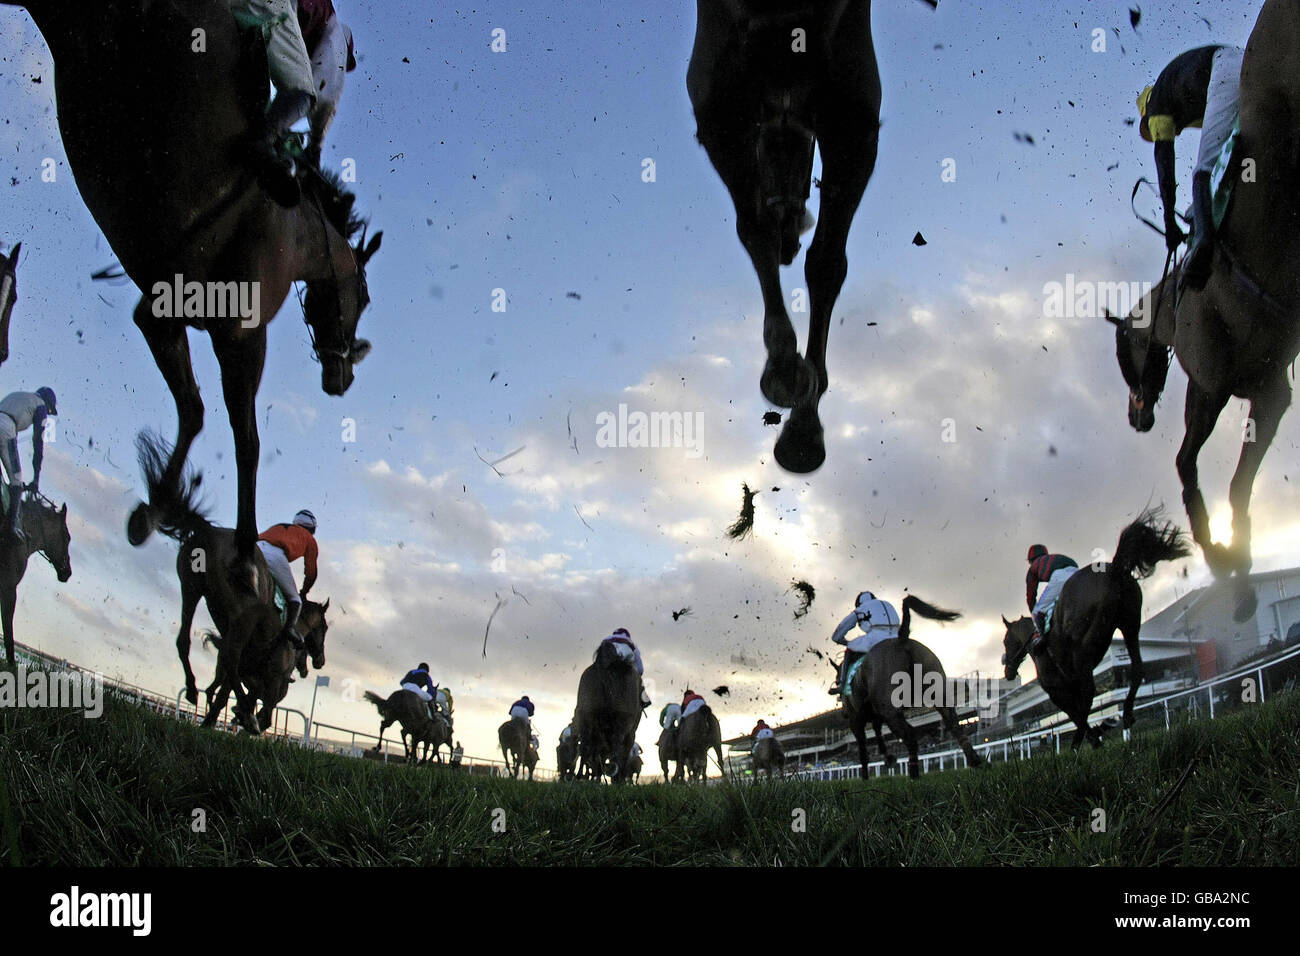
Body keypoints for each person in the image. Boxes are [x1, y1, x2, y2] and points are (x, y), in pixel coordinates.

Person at [1137, 44, 1245, 291]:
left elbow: (1164, 161)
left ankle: (1205, 248)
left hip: (1224, 68)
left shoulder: (1157, 106)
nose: (1155, 134)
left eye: (1151, 131)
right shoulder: (1180, 90)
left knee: (1202, 172)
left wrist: (1169, 222)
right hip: (1237, 60)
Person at [255, 509, 318, 649]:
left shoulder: (279, 526)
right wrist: (304, 591)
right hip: (275, 555)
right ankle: (289, 629)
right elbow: (311, 572)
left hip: (255, 548)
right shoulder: (310, 540)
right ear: (312, 529)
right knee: (295, 600)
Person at [0, 387, 56, 541]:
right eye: (50, 411)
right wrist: (36, 478)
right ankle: (10, 528)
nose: (48, 413)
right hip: (6, 430)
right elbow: (38, 442)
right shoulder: (41, 406)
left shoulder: (17, 395)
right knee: (17, 481)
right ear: (48, 403)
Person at [828, 591, 900, 696]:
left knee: (849, 649)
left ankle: (842, 685)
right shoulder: (887, 603)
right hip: (898, 636)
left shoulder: (860, 609)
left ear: (859, 603)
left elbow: (840, 631)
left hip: (876, 637)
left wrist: (842, 641)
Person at [1026, 544, 1079, 653]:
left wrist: (1034, 613)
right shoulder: (1053, 558)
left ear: (1031, 560)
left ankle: (1041, 638)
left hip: (1059, 576)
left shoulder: (1033, 567)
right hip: (1076, 572)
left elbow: (1031, 596)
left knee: (1037, 611)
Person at [601, 627, 652, 707]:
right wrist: (638, 675)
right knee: (638, 679)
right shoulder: (632, 644)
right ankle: (644, 700)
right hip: (625, 669)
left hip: (604, 665)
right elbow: (640, 669)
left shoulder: (607, 640)